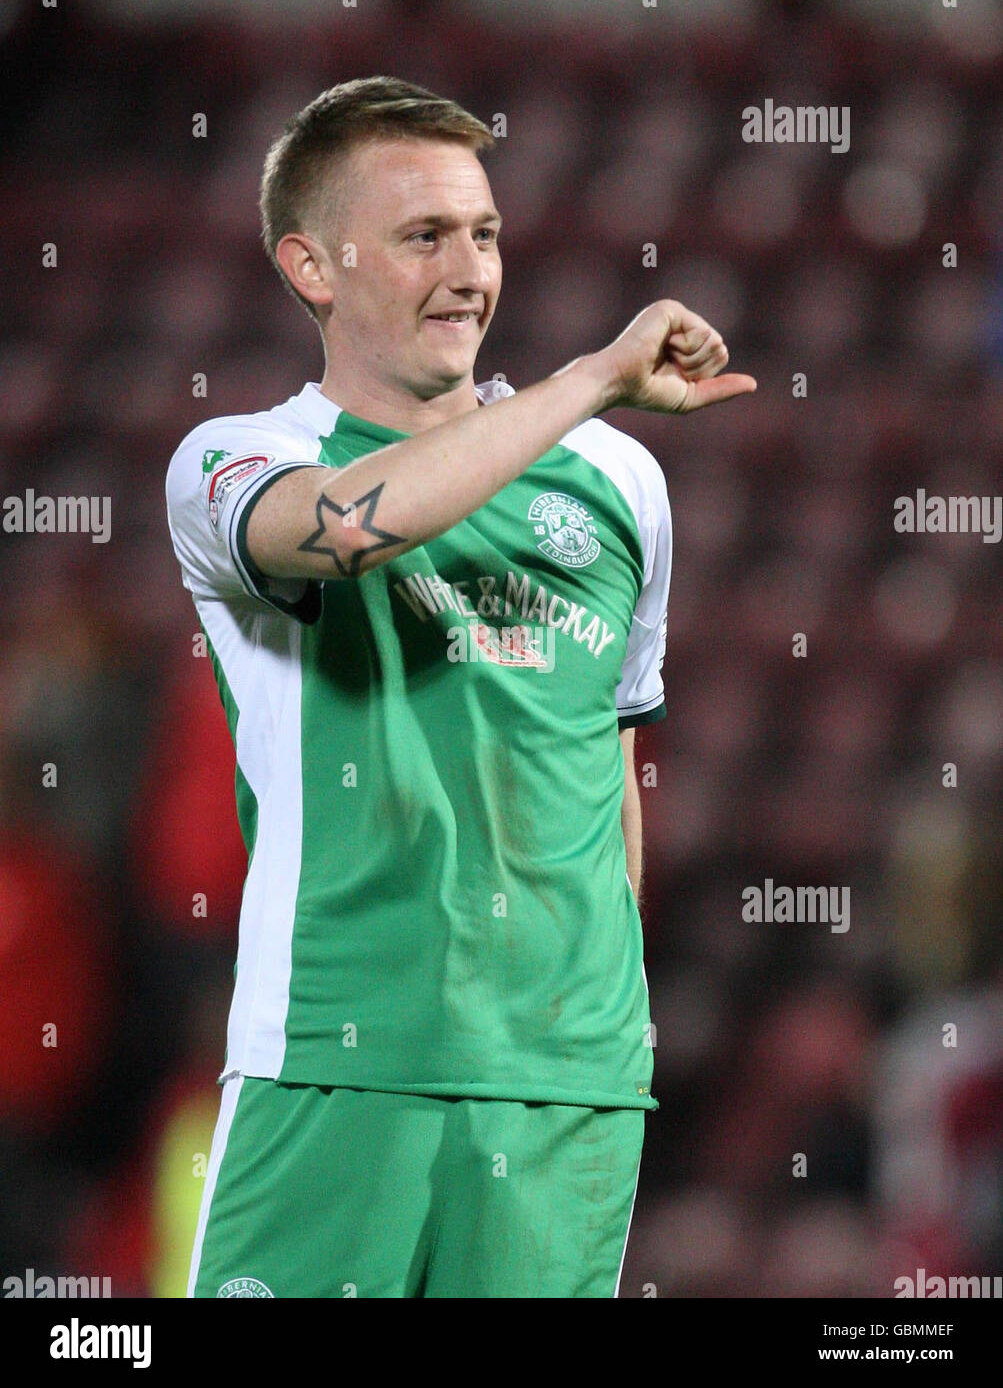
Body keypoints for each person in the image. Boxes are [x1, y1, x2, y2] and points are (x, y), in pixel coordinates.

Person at [166, 75, 755, 1299]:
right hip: (334, 1054)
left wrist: (589, 1026)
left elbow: (610, 765)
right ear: (311, 266)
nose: (471, 269)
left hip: (565, 1086)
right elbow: (344, 529)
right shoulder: (235, 460)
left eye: (483, 232)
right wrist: (585, 381)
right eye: (423, 235)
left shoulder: (618, 482)